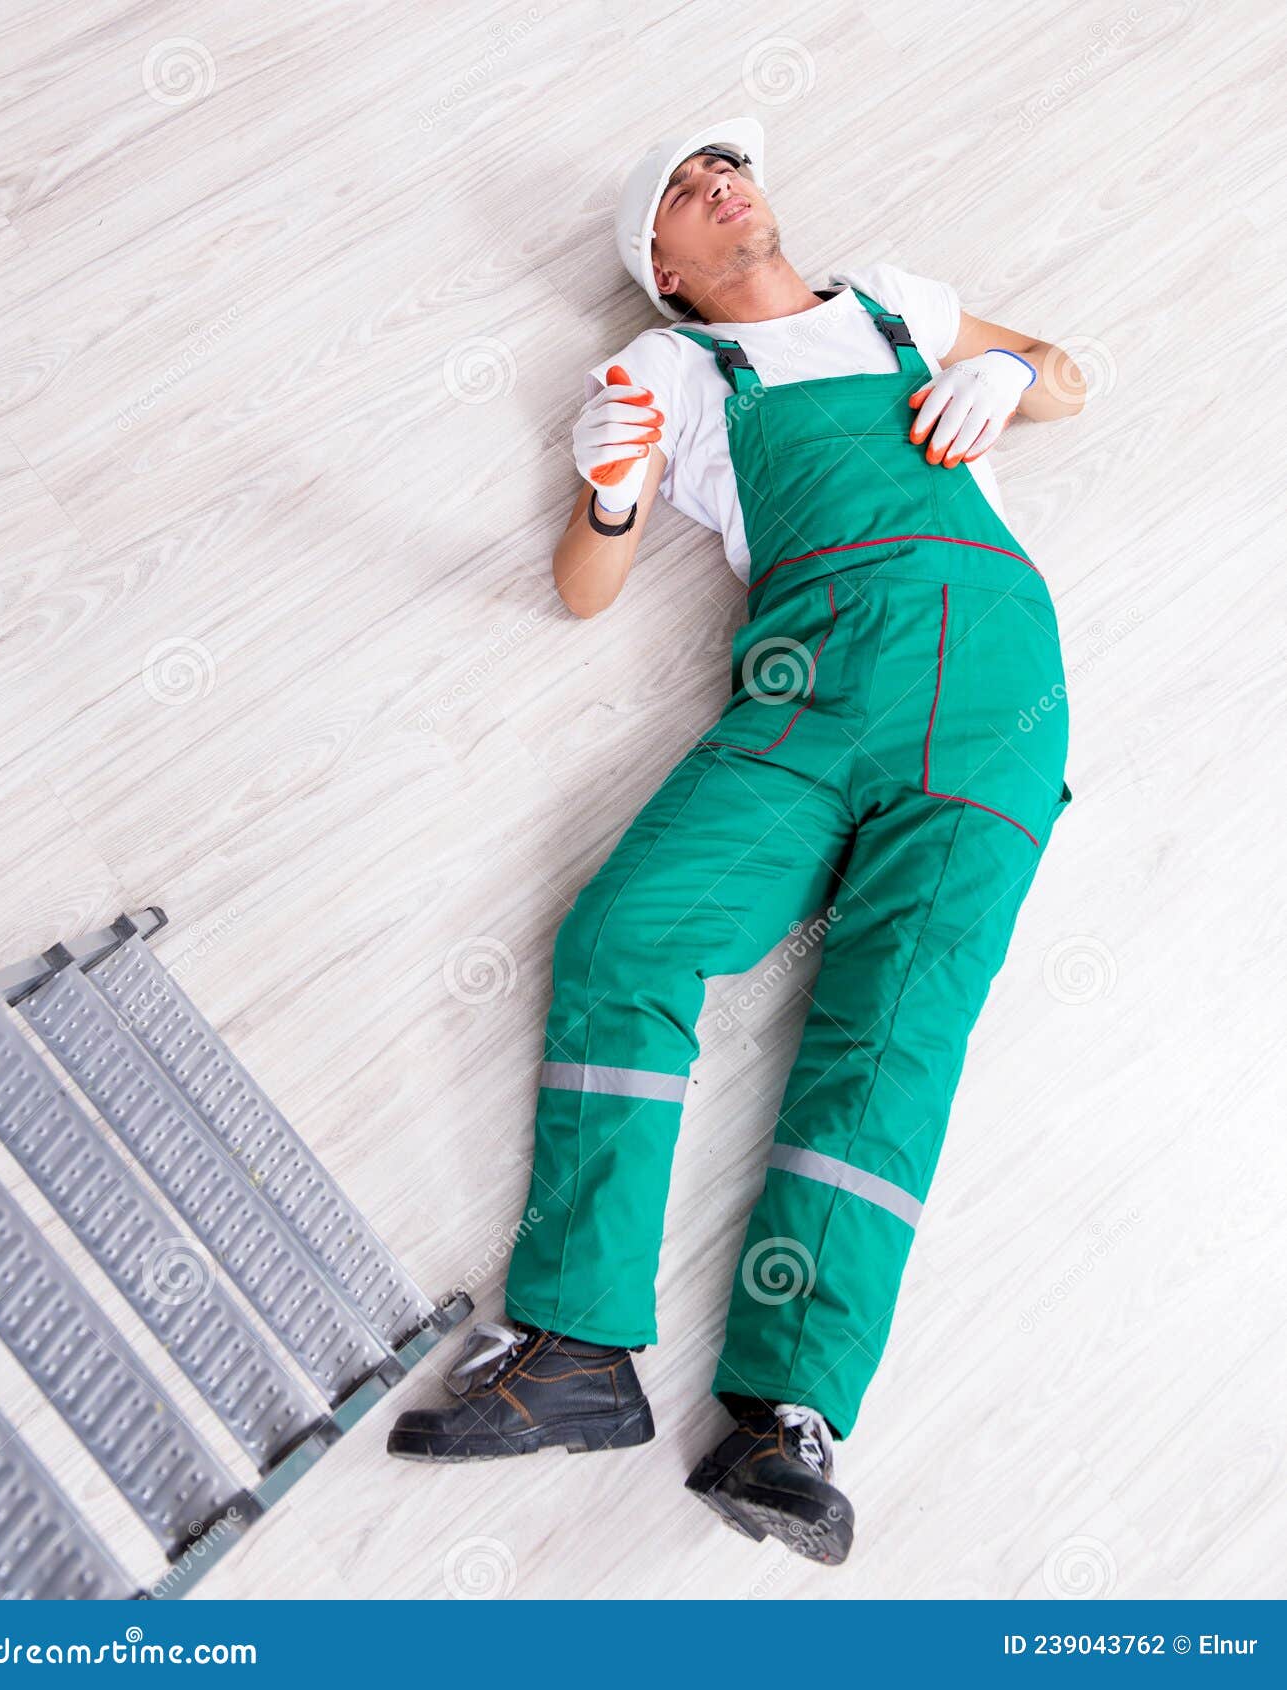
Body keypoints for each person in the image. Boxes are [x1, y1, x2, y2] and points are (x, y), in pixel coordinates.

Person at [389, 116, 1085, 1568]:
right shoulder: (665, 372)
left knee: (891, 1031)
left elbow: (1069, 373)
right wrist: (607, 492)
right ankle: (575, 1342)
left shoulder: (901, 303)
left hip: (997, 697)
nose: (723, 182)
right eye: (684, 192)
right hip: (808, 687)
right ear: (663, 271)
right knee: (627, 934)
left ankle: (788, 1415)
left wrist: (1010, 371)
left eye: (730, 164)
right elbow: (586, 588)